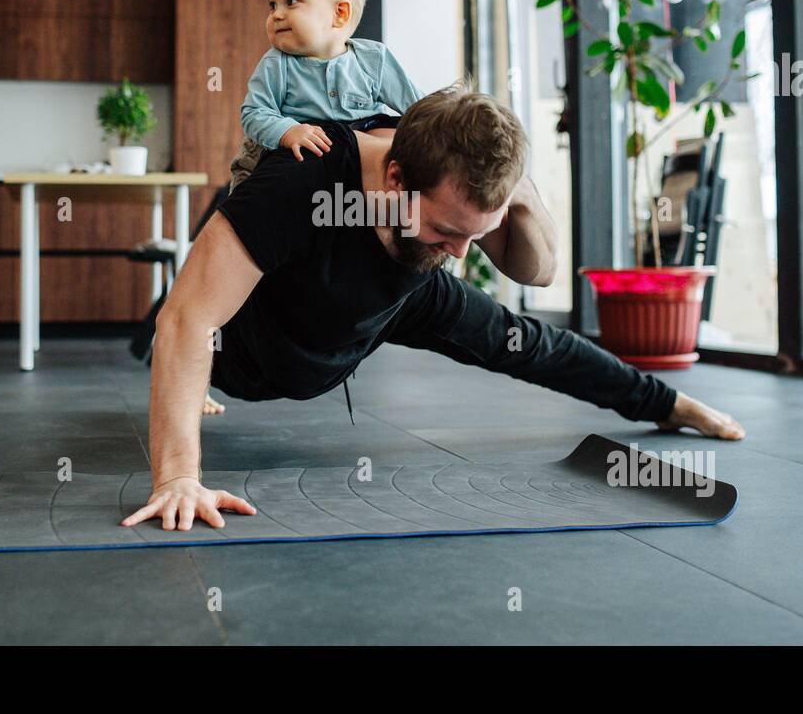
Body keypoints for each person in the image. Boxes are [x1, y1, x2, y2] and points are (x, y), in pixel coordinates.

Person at [122, 87, 744, 533]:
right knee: (192, 303)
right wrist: (178, 476)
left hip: (390, 302)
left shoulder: (446, 197)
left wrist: (519, 200)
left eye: (478, 233)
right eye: (449, 230)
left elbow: (542, 272)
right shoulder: (304, 181)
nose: (460, 254)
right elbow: (188, 319)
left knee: (520, 339)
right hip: (258, 353)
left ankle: (666, 404)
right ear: (394, 178)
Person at [227, 0, 424, 192]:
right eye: (272, 5)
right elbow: (254, 112)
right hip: (280, 148)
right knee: (247, 193)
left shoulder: (373, 59)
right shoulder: (277, 63)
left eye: (290, 1)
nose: (276, 15)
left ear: (339, 13)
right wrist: (288, 131)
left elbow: (418, 106)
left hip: (349, 150)